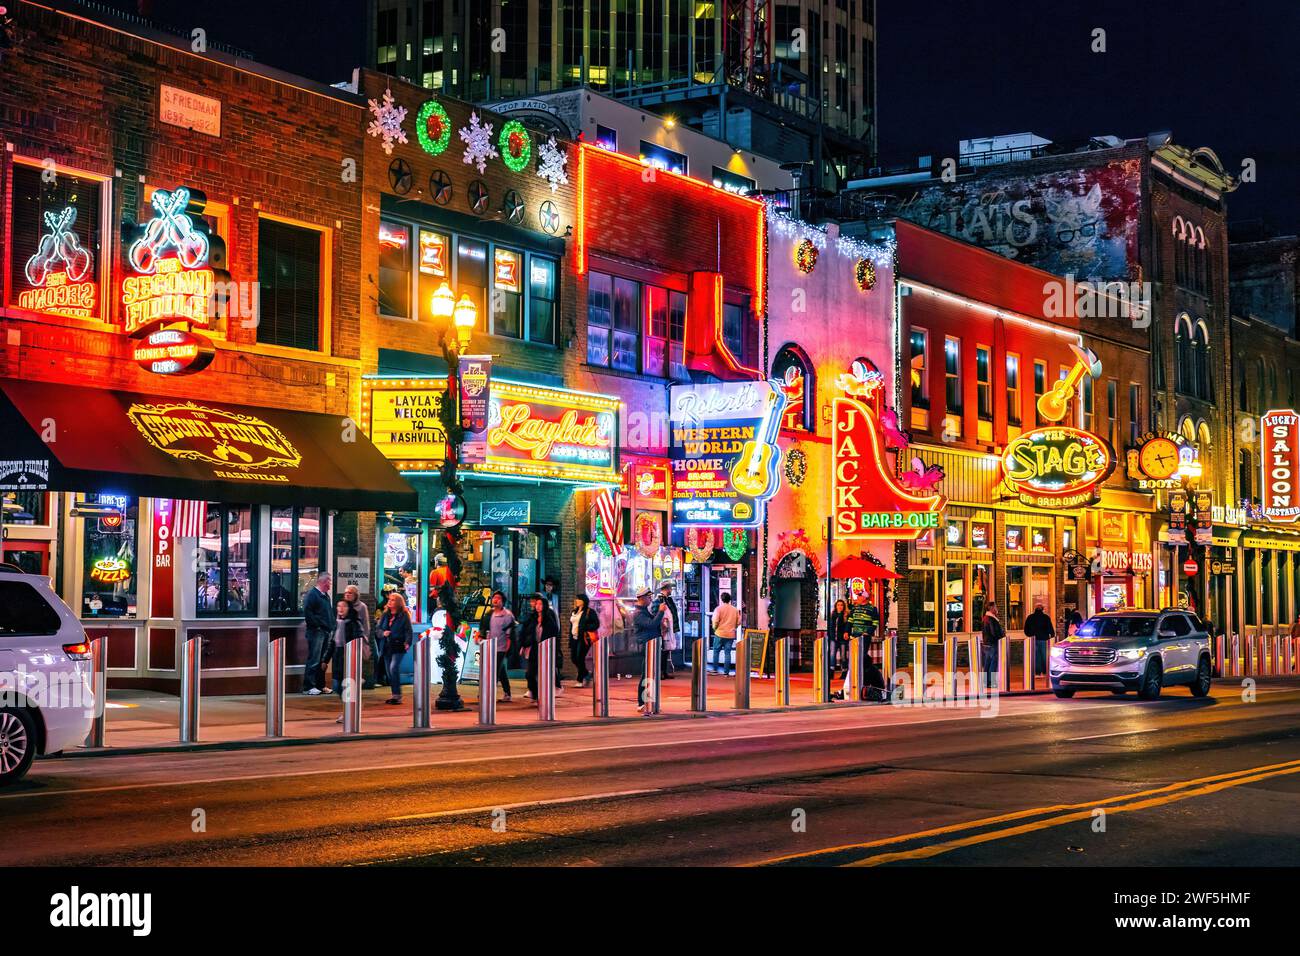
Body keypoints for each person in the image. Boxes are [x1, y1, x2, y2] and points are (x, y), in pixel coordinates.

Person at [521, 591, 562, 704]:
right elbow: (526, 631)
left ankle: (545, 695)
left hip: (546, 650)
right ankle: (535, 693)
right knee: (529, 674)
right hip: (535, 649)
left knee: (545, 674)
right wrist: (524, 644)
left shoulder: (549, 618)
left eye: (539, 604)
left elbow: (554, 631)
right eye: (535, 603)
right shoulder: (532, 618)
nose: (536, 606)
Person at [630, 588, 666, 715]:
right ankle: (641, 703)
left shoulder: (644, 611)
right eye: (649, 597)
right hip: (646, 646)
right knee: (646, 674)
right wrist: (661, 612)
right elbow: (651, 624)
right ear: (642, 598)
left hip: (652, 645)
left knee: (651, 675)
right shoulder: (638, 613)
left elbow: (653, 624)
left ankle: (650, 702)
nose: (651, 599)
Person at [476, 590, 516, 703]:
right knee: (500, 670)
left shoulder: (507, 615)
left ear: (503, 601)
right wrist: (480, 636)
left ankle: (487, 693)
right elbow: (483, 628)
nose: (495, 599)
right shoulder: (489, 614)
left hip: (501, 647)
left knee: (493, 671)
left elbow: (510, 633)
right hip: (488, 646)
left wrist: (508, 645)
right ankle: (507, 693)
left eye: (498, 598)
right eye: (494, 597)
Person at [332, 600, 369, 723]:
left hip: (349, 657)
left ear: (349, 608)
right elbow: (332, 642)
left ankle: (348, 713)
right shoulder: (337, 623)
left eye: (344, 606)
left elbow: (358, 639)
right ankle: (352, 706)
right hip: (338, 657)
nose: (340, 608)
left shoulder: (354, 623)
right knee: (336, 686)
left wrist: (353, 654)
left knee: (347, 686)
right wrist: (325, 660)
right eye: (339, 606)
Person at [378, 590, 414, 704]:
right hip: (386, 645)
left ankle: (397, 695)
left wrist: (408, 642)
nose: (390, 601)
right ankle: (395, 695)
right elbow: (378, 629)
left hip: (398, 645)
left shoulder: (404, 615)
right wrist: (383, 633)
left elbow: (409, 630)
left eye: (393, 600)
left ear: (398, 602)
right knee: (389, 671)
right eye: (389, 599)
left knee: (393, 668)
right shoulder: (385, 615)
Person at [302, 572, 333, 695]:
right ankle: (308, 686)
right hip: (317, 632)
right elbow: (308, 613)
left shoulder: (325, 596)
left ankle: (320, 685)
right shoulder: (312, 595)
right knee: (314, 659)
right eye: (330, 581)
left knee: (322, 661)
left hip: (325, 631)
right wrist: (318, 626)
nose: (331, 584)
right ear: (324, 582)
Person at [342, 585, 372, 690]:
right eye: (346, 593)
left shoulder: (362, 606)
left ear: (355, 595)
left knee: (357, 662)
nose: (347, 594)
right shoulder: (343, 606)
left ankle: (356, 683)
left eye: (350, 593)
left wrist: (365, 639)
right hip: (345, 639)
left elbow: (366, 624)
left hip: (357, 640)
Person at [569, 594, 600, 688]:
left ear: (583, 601)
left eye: (578, 599)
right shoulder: (574, 611)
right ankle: (587, 673)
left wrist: (585, 628)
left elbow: (596, 624)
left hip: (584, 638)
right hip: (574, 637)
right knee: (573, 658)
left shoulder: (589, 612)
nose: (576, 601)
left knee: (580, 657)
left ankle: (580, 679)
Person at [710, 592, 740, 676]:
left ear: (721, 599)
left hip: (719, 633)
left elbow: (715, 621)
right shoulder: (735, 610)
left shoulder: (718, 609)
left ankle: (715, 669)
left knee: (716, 651)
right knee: (728, 653)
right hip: (730, 634)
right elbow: (739, 622)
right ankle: (726, 672)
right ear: (729, 599)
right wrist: (734, 628)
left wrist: (715, 628)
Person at [828, 599, 852, 699]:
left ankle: (844, 672)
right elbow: (830, 626)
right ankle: (831, 672)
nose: (840, 607)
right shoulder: (833, 615)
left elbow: (848, 626)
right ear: (836, 606)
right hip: (834, 638)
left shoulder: (845, 615)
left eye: (841, 605)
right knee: (832, 655)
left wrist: (846, 633)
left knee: (843, 656)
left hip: (842, 638)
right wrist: (830, 635)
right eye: (838, 605)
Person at [1023, 603, 1055, 676]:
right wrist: (1052, 636)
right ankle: (1045, 672)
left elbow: (1026, 629)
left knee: (1036, 656)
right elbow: (1050, 628)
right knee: (1044, 656)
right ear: (1042, 609)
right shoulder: (1046, 617)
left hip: (1033, 639)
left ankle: (1037, 672)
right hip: (1044, 639)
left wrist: (1030, 635)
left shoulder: (1030, 617)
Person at [980, 602, 1005, 692]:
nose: (996, 608)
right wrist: (1001, 637)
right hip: (992, 643)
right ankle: (992, 682)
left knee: (987, 663)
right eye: (995, 606)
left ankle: (985, 682)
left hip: (987, 643)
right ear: (990, 608)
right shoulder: (991, 619)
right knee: (993, 663)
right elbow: (994, 632)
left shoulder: (985, 618)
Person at [658, 582, 680, 678]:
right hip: (664, 629)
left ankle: (664, 671)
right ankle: (661, 672)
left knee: (666, 651)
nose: (671, 590)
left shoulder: (668, 599)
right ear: (666, 588)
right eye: (670, 588)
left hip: (669, 628)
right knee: (663, 651)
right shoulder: (660, 599)